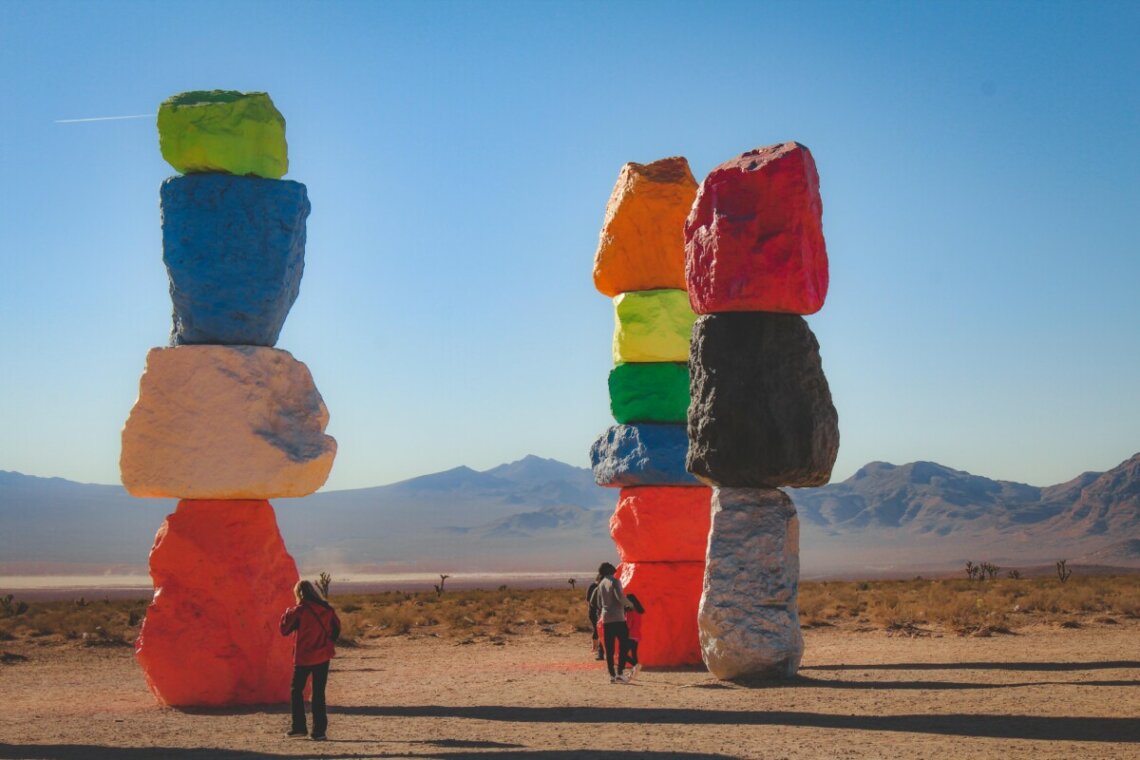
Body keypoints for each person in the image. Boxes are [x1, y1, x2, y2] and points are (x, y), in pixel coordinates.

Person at [280, 579, 341, 741]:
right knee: (319, 693)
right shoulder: (327, 609)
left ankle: (299, 727)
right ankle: (319, 732)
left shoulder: (299, 611)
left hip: (304, 658)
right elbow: (336, 630)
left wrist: (286, 613)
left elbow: (285, 630)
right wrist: (325, 643)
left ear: (299, 593)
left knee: (296, 690)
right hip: (323, 656)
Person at [594, 562, 631, 683]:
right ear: (608, 569)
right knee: (624, 646)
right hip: (618, 619)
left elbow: (598, 603)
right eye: (610, 565)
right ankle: (620, 673)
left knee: (609, 649)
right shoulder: (615, 581)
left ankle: (612, 675)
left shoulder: (600, 584)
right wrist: (631, 604)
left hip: (606, 619)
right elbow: (620, 597)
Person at [622, 593, 645, 681]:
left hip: (630, 635)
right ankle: (634, 673)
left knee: (623, 654)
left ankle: (636, 665)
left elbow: (628, 625)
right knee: (634, 654)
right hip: (637, 635)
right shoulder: (638, 611)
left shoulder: (630, 611)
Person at [586, 578, 604, 661]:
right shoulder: (594, 587)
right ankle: (595, 647)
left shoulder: (598, 587)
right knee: (597, 629)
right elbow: (589, 600)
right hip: (594, 612)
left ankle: (597, 648)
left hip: (599, 612)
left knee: (598, 629)